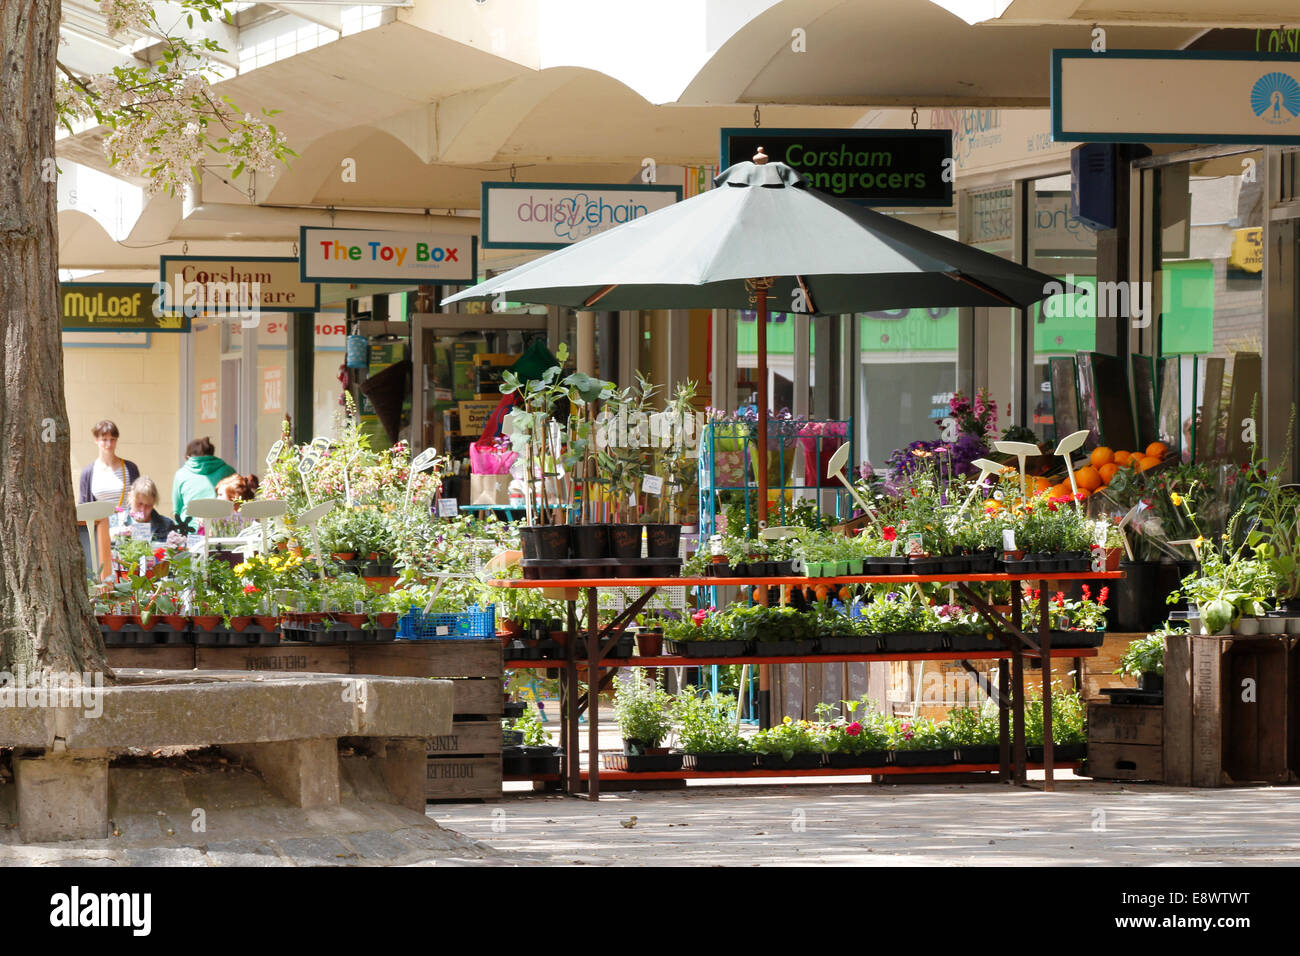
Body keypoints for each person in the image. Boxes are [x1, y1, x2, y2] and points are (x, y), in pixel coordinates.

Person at [172, 436, 236, 527]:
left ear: (188, 457)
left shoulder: (180, 475)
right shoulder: (228, 471)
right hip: (220, 529)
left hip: (189, 531)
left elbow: (176, 510)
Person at [78, 420, 139, 507]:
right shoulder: (88, 472)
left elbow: (140, 500)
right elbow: (83, 506)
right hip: (100, 520)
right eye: (104, 439)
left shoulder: (130, 468)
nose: (109, 444)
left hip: (126, 520)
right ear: (96, 440)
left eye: (112, 439)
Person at [117, 477, 178, 542]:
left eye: (148, 505)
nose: (142, 509)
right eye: (139, 504)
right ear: (130, 497)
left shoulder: (167, 524)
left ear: (154, 502)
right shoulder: (117, 522)